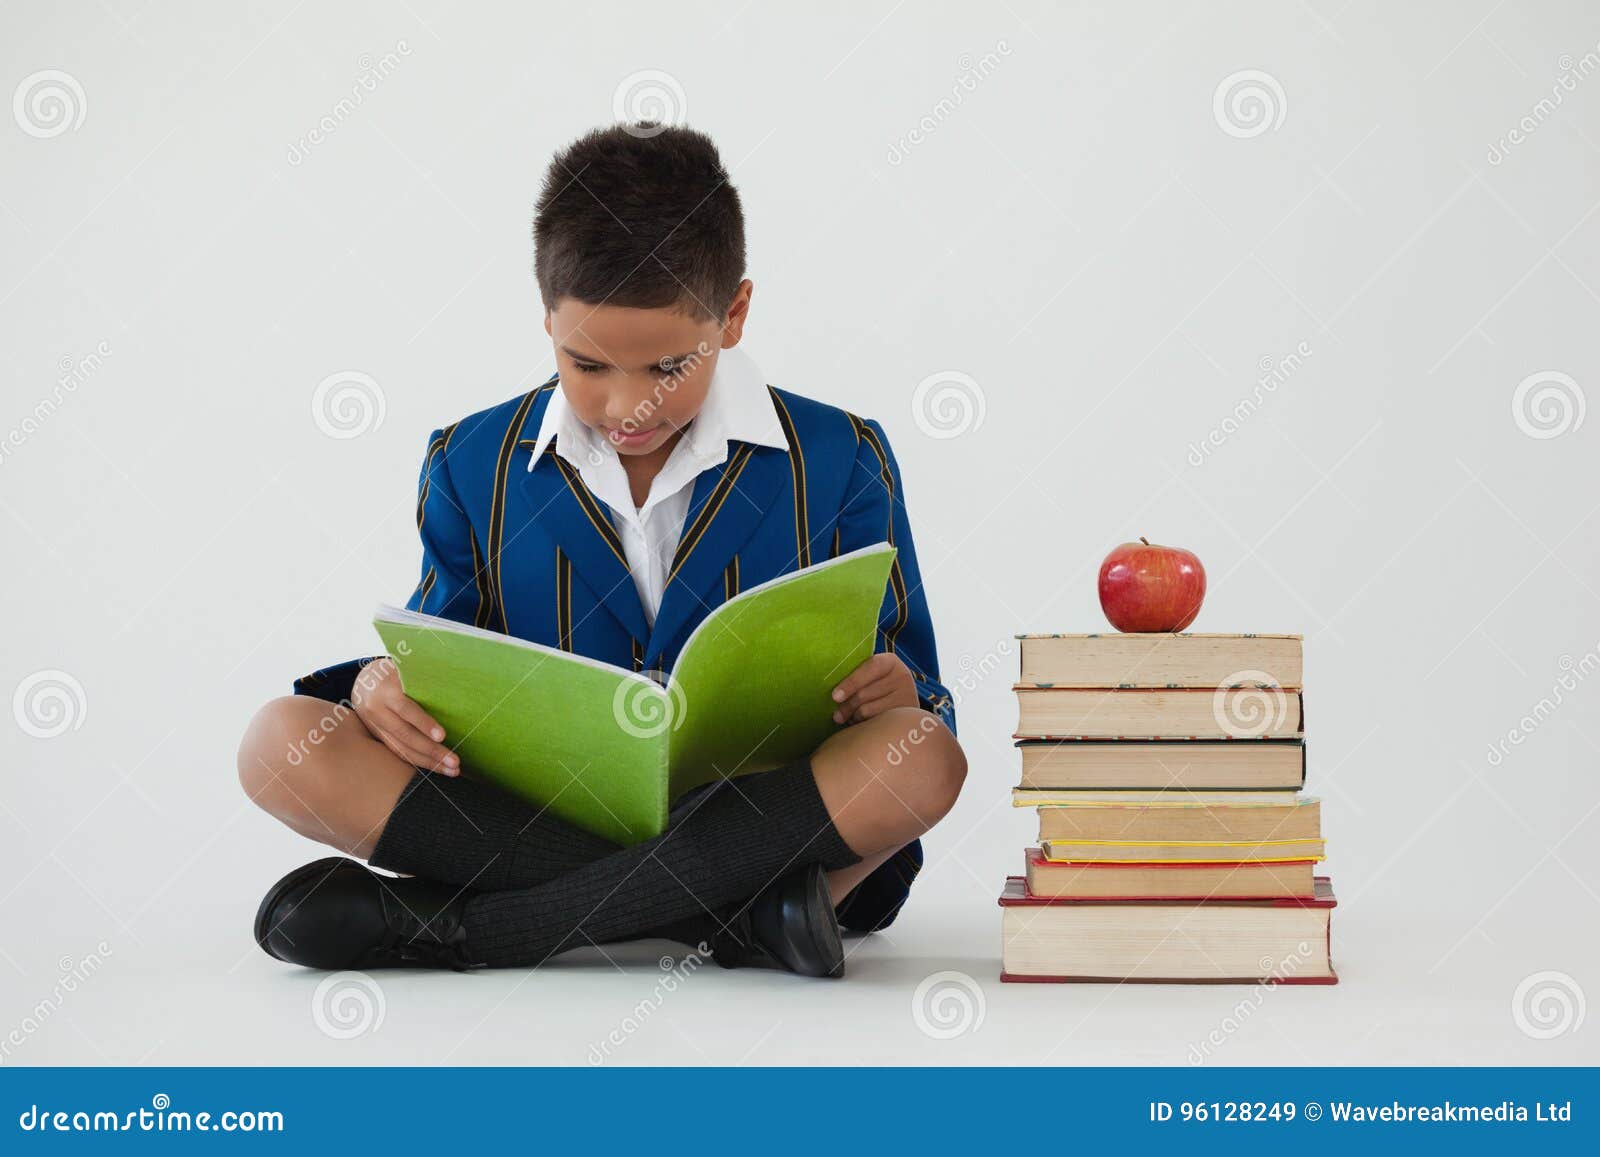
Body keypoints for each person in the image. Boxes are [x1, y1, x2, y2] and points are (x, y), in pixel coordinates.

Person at [238, 123, 964, 977]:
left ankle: (471, 930)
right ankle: (738, 923)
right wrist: (379, 689)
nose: (626, 405)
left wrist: (899, 690)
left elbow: (930, 702)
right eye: (585, 364)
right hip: (547, 820)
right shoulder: (471, 463)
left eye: (665, 367)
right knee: (278, 740)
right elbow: (441, 664)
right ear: (546, 316)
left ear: (732, 315)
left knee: (923, 758)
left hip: (765, 817)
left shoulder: (842, 456)